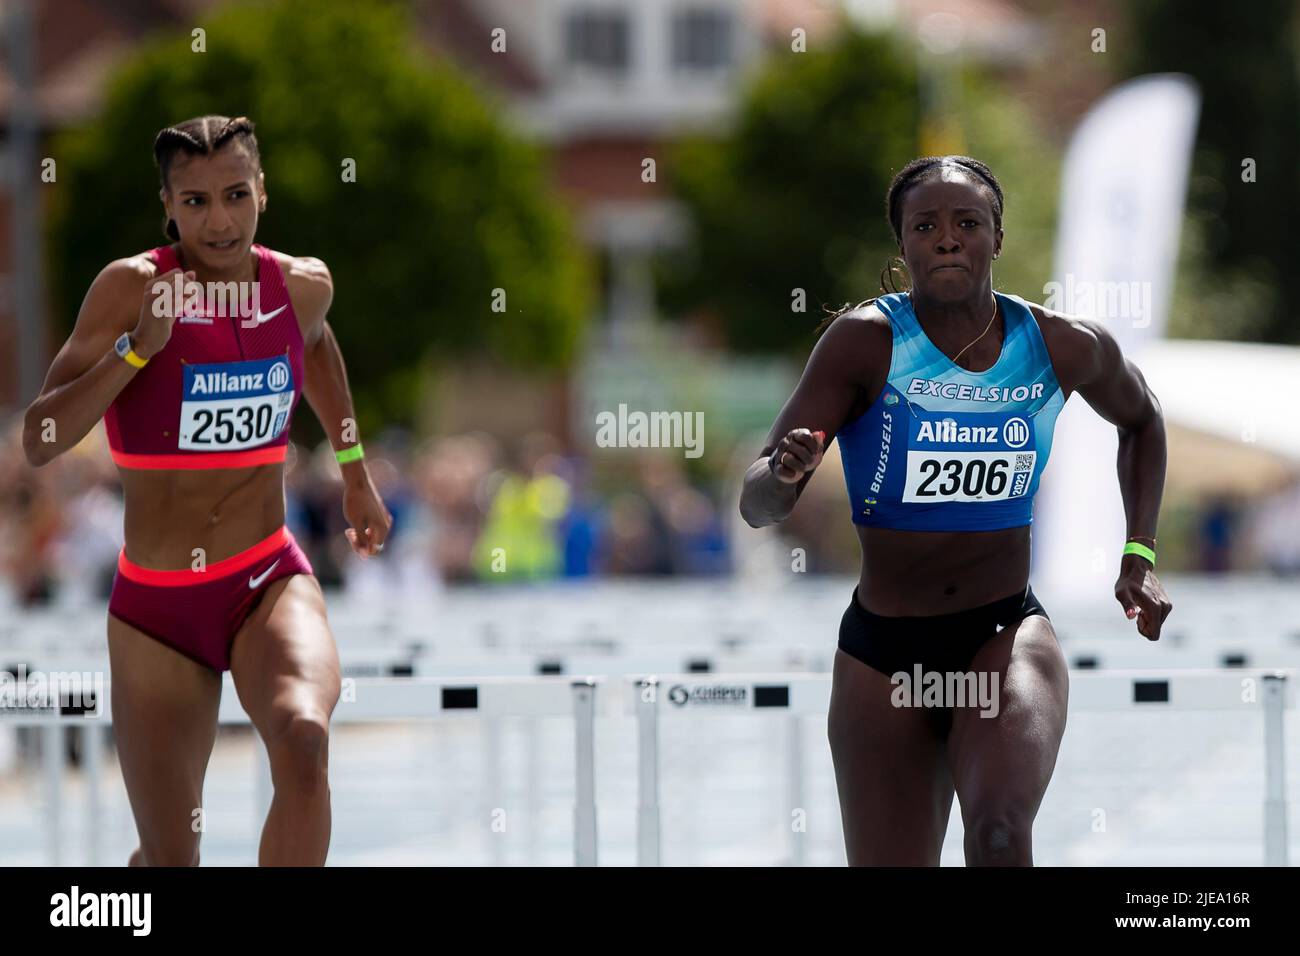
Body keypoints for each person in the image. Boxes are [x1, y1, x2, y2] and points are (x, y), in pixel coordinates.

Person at [738, 155, 1172, 866]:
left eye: (967, 223)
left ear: (996, 238)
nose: (947, 239)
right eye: (926, 226)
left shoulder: (1059, 345)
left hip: (1002, 638)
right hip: (883, 656)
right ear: (903, 245)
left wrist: (1141, 556)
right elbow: (756, 505)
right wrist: (781, 476)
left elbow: (1144, 418)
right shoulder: (864, 343)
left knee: (1000, 833)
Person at [22, 115, 392, 865]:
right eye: (195, 202)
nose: (218, 220)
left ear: (263, 193)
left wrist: (355, 472)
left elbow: (316, 349)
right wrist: (134, 354)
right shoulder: (131, 287)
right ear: (168, 205)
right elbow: (40, 440)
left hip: (264, 579)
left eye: (234, 195)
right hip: (157, 609)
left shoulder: (303, 285)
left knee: (304, 737)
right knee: (168, 861)